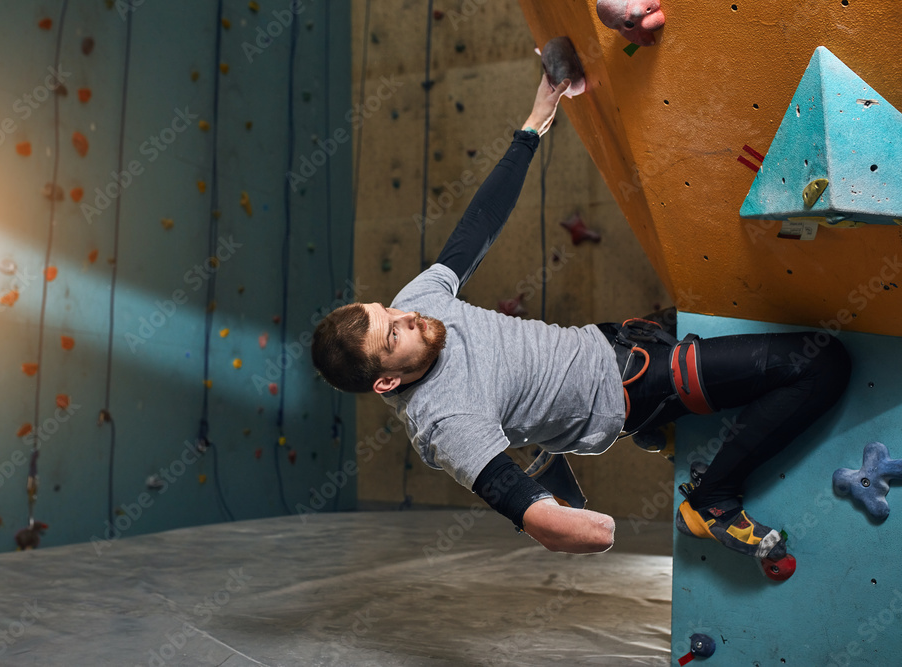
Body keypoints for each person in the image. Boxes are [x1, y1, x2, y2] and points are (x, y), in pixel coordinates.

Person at [310, 75, 851, 559]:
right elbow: (523, 507)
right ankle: (710, 502)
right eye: (393, 331)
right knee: (820, 363)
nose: (408, 314)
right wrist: (566, 523)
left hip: (621, 338)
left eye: (391, 309)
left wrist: (531, 127)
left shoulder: (418, 304)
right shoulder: (444, 422)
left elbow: (478, 226)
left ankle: (650, 431)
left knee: (736, 303)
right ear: (386, 381)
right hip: (632, 390)